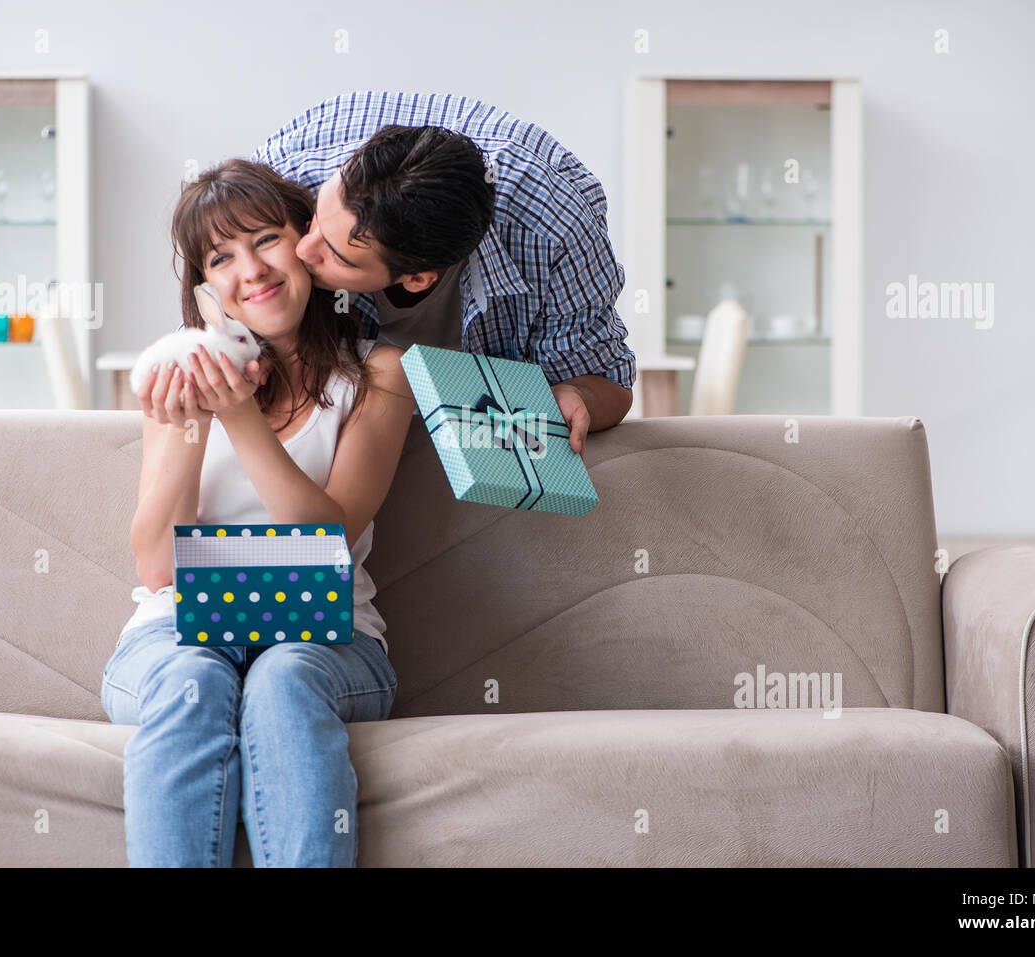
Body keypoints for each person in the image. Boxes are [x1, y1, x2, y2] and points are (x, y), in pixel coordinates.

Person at [102, 158, 415, 867]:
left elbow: (331, 539)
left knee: (280, 676)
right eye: (221, 257)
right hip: (176, 634)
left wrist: (238, 415)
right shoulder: (178, 370)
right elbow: (156, 567)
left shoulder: (379, 374)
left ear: (306, 242)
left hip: (326, 640)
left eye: (267, 239)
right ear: (206, 288)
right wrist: (193, 415)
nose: (252, 270)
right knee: (196, 678)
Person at [249, 90, 638, 456]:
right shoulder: (286, 182)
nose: (302, 249)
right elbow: (207, 312)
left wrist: (576, 395)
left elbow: (610, 382)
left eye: (337, 256)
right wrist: (245, 351)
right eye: (316, 220)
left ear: (419, 278)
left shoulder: (556, 233)